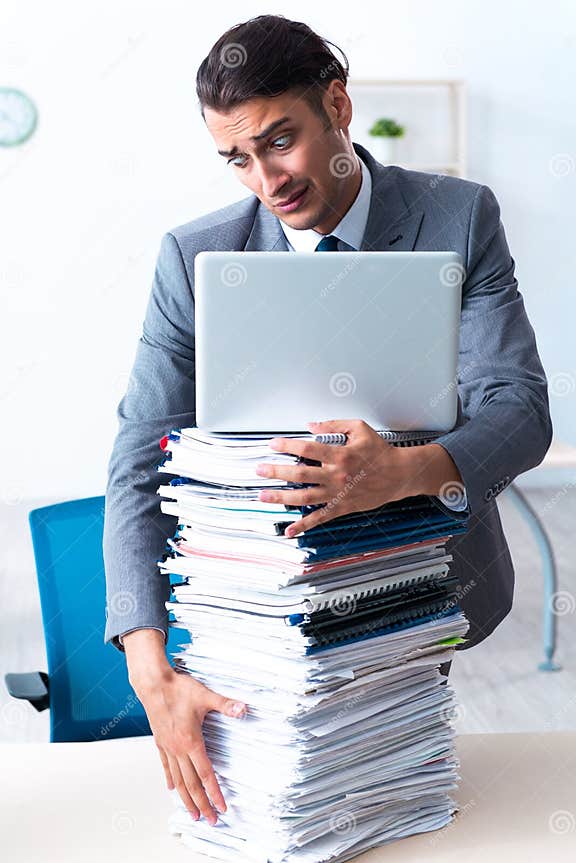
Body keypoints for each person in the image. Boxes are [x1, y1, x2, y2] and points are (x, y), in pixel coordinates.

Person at [103, 14, 552, 828]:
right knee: (286, 808)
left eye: (280, 141)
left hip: (425, 585)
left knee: (399, 795)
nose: (266, 179)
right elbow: (139, 456)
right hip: (258, 598)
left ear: (337, 106)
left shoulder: (457, 217)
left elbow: (518, 407)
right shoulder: (194, 260)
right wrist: (147, 664)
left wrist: (403, 471)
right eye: (238, 158)